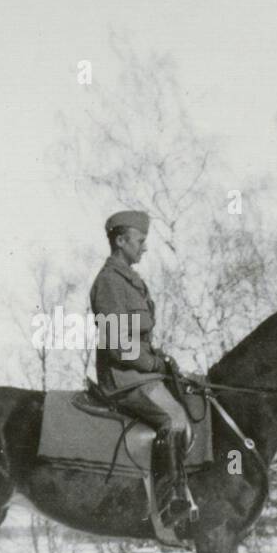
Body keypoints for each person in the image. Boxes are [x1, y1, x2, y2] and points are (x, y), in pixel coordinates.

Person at [88, 210, 197, 531]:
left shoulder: (129, 280)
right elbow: (117, 344)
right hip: (124, 378)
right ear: (120, 241)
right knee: (174, 420)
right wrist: (152, 363)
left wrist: (160, 359)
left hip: (142, 372)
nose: (144, 248)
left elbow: (139, 336)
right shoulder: (109, 282)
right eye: (140, 241)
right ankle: (169, 501)